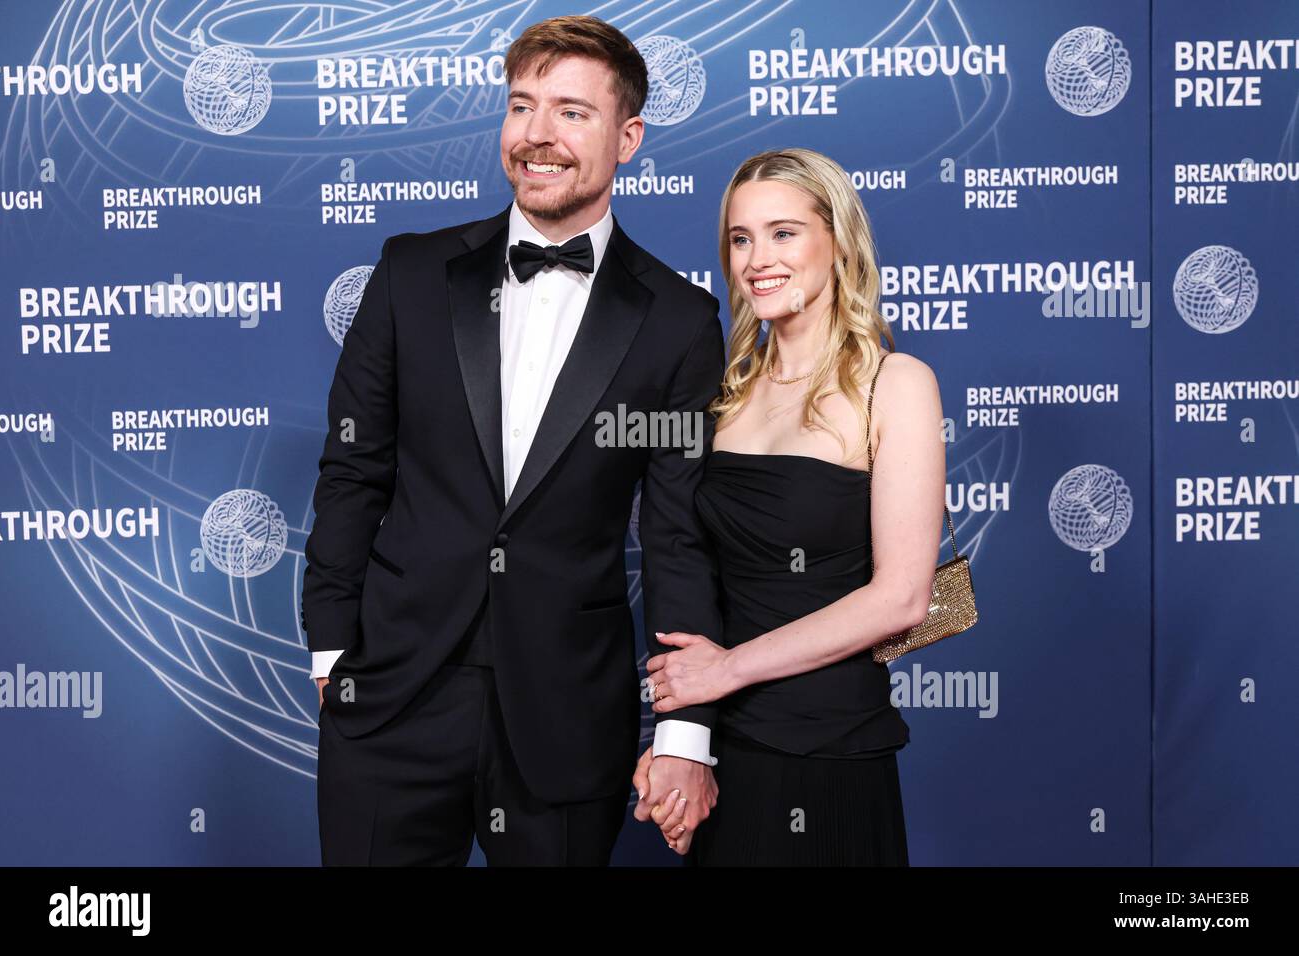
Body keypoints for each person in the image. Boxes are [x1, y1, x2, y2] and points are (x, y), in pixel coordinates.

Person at [303, 15, 725, 865]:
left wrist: (685, 735)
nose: (537, 135)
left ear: (628, 137)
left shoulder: (679, 323)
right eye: (522, 107)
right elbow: (354, 469)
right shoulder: (411, 273)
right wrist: (332, 649)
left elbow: (678, 537)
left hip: (567, 712)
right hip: (392, 697)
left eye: (571, 112)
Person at [633, 148, 947, 864]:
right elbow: (684, 566)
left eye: (783, 233)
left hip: (831, 748)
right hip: (724, 753)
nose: (756, 259)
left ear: (837, 242)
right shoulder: (723, 394)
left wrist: (729, 668)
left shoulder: (895, 384)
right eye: (740, 239)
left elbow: (901, 599)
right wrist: (680, 747)